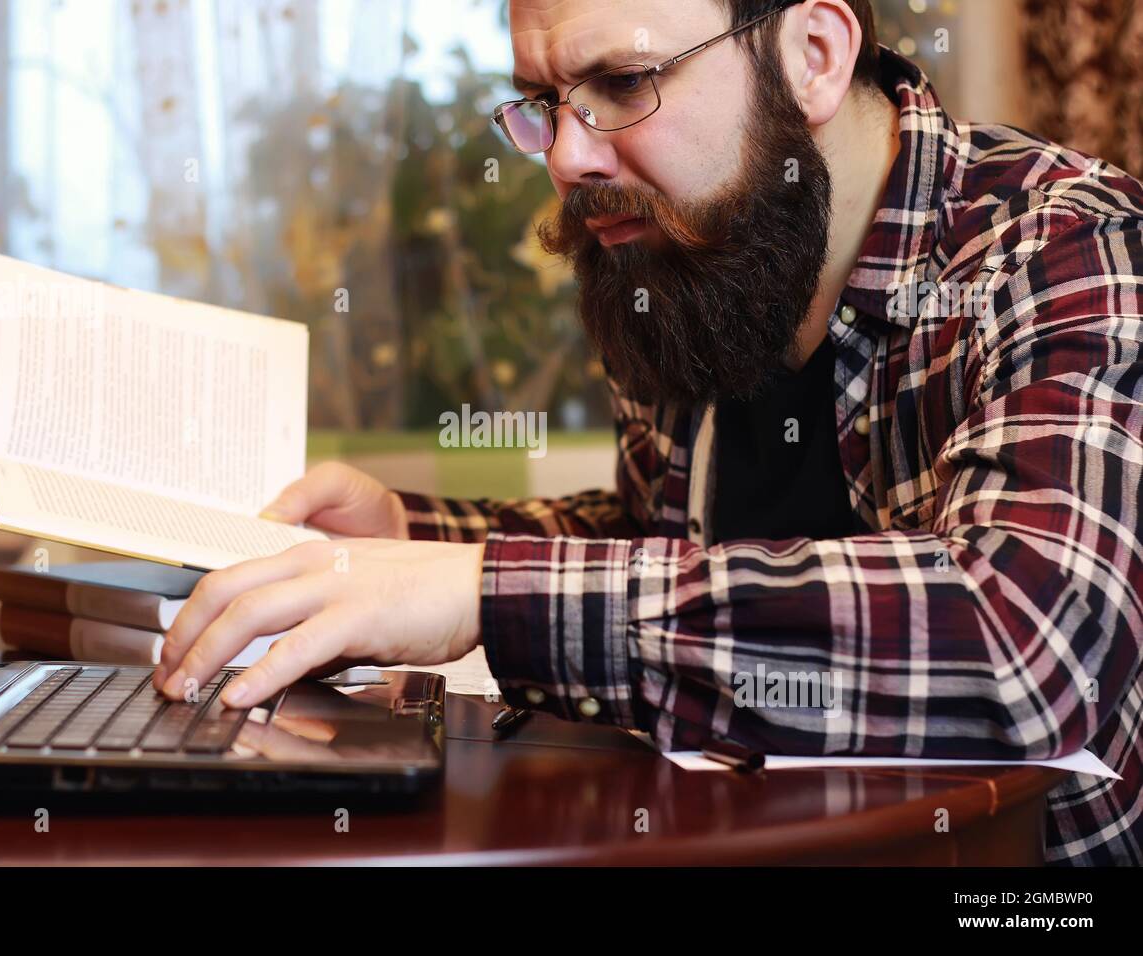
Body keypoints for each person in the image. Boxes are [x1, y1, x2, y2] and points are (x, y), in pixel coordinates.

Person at [153, 0, 1143, 865]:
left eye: (623, 82)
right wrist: (414, 541)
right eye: (545, 101)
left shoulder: (1062, 244)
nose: (571, 156)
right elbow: (661, 546)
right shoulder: (687, 257)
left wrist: (484, 595)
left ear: (812, 53)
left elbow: (1027, 644)